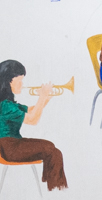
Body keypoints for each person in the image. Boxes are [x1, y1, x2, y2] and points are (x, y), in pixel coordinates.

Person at [0, 59, 69, 189]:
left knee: (53, 150)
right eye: (19, 81)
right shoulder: (5, 106)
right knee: (52, 151)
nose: (22, 84)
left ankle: (53, 187)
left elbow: (31, 110)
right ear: (8, 82)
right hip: (9, 148)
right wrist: (42, 97)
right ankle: (55, 189)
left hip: (14, 144)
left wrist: (45, 98)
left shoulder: (9, 104)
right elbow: (32, 120)